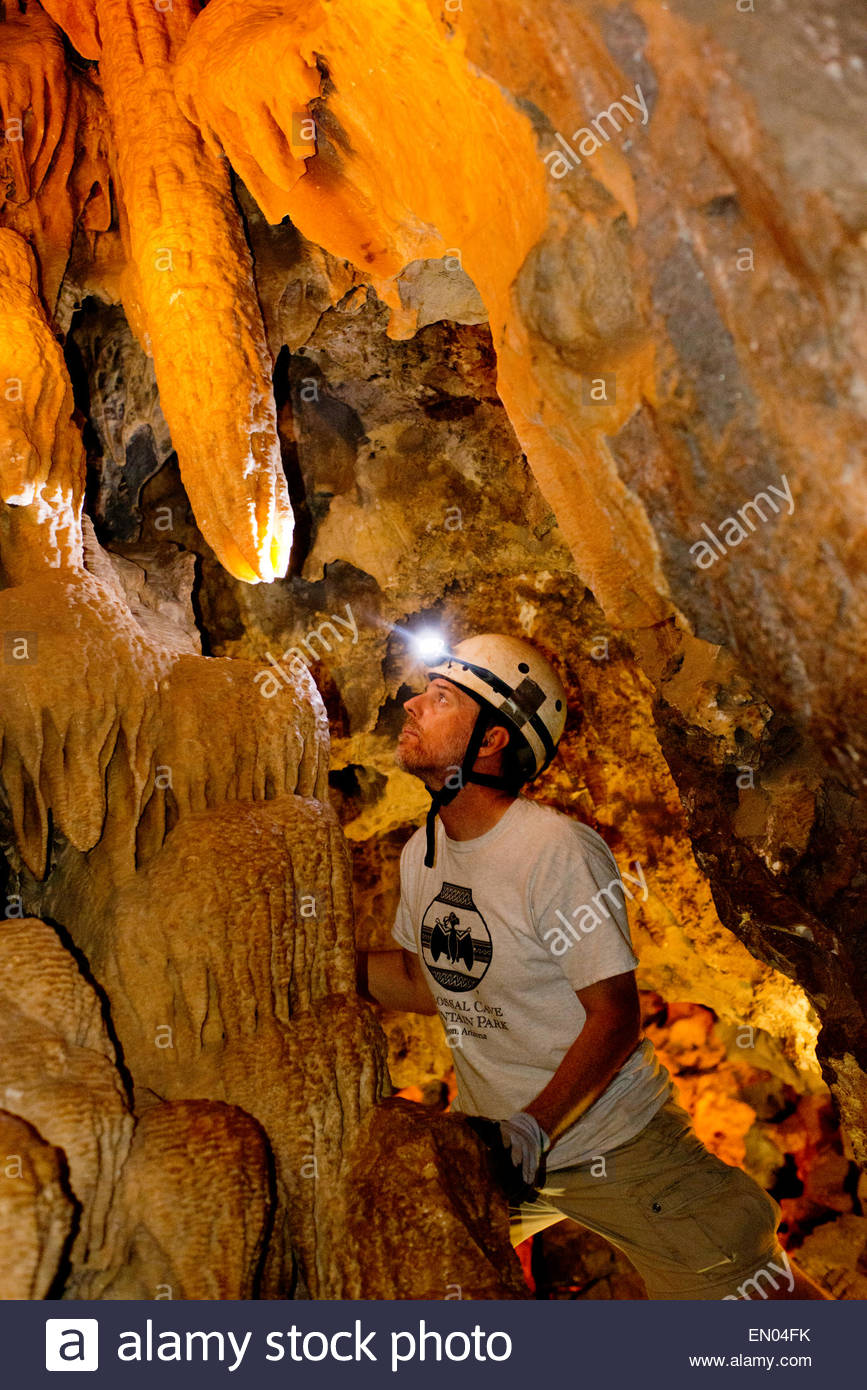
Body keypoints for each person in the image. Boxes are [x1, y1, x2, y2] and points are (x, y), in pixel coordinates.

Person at [356, 632, 831, 1301]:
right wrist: (317, 966)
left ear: (491, 741)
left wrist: (534, 1124)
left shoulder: (553, 851)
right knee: (398, 1264)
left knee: (751, 1300)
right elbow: (421, 981)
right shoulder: (424, 852)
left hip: (616, 1143)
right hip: (502, 1147)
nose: (411, 707)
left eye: (439, 699)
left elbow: (613, 1015)